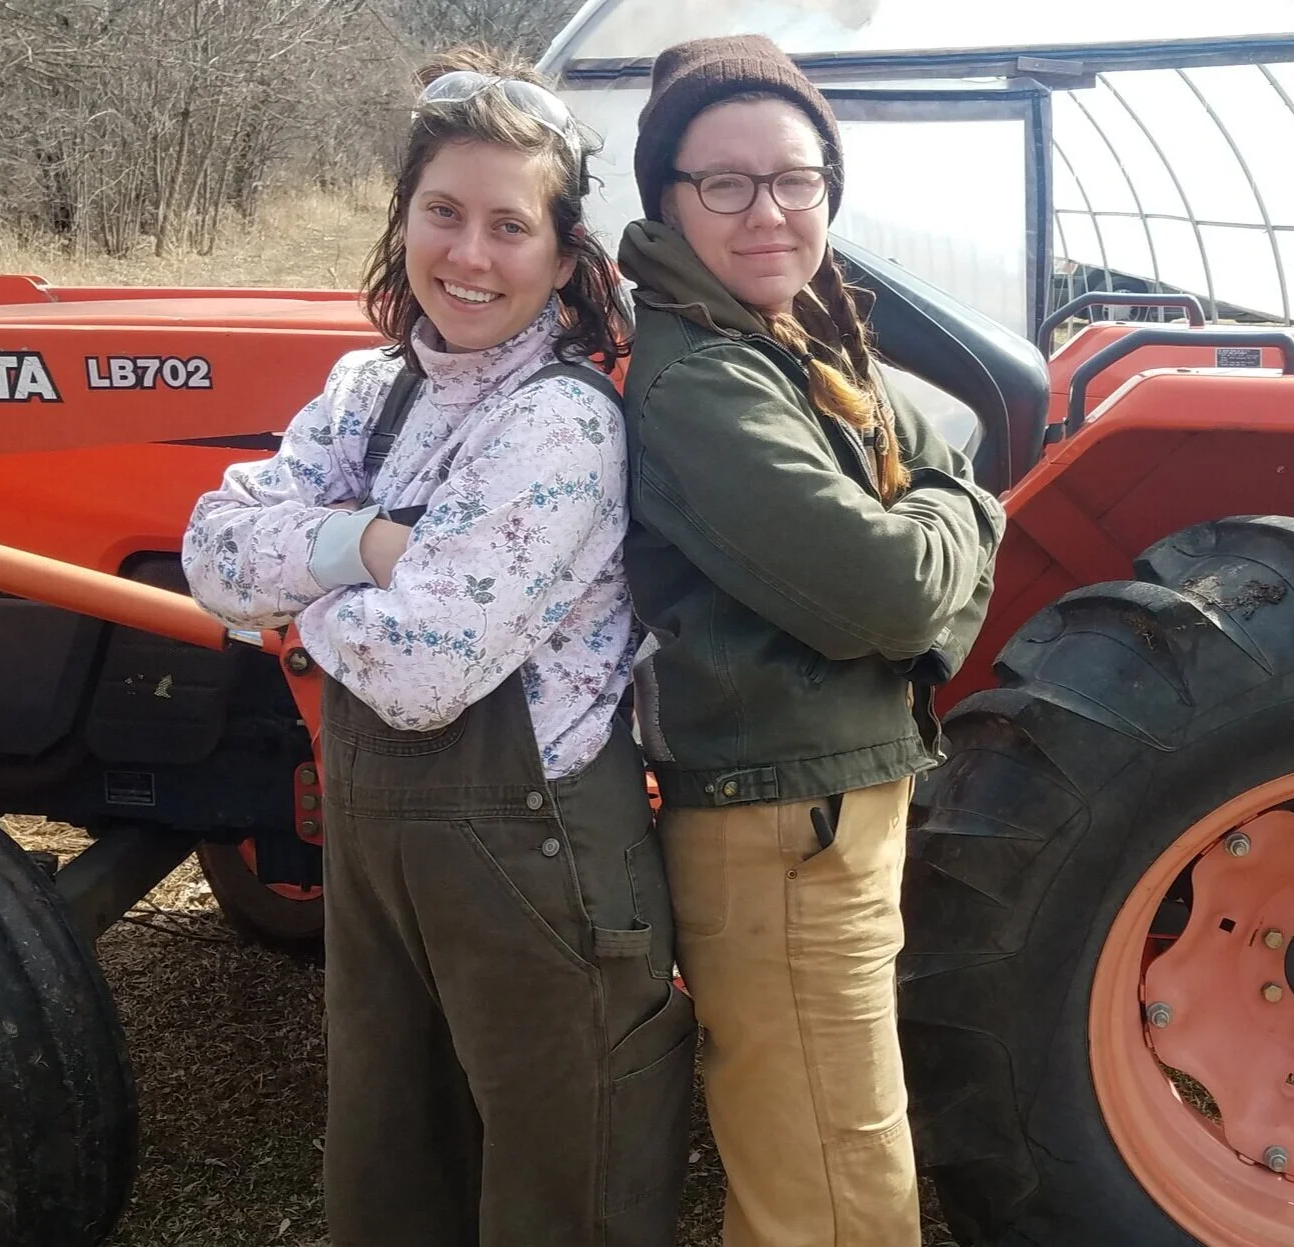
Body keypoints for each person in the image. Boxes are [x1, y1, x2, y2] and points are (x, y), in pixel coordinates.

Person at [181, 46, 694, 1247]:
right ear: (403, 217)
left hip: (542, 872)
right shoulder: (368, 391)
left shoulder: (561, 424)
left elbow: (420, 671)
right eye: (443, 212)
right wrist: (366, 544)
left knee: (564, 1194)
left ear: (563, 258)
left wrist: (297, 587)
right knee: (395, 1172)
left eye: (510, 226)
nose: (469, 254)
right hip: (383, 863)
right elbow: (208, 553)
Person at [612, 35, 1005, 1247]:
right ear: (669, 199)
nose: (768, 211)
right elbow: (894, 588)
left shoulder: (799, 334)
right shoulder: (704, 378)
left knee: (832, 1159)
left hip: (823, 806)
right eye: (725, 182)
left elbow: (947, 465)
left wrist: (942, 512)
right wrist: (957, 523)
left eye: (795, 178)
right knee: (837, 1191)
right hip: (783, 828)